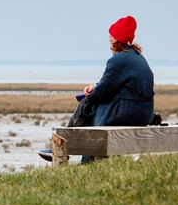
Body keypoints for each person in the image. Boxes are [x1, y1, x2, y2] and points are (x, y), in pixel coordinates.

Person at [40, 15, 155, 162]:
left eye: (111, 35)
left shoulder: (118, 60)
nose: (109, 38)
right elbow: (112, 85)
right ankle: (75, 152)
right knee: (91, 107)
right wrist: (95, 88)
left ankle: (64, 147)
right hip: (144, 113)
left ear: (116, 39)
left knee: (86, 105)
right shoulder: (137, 57)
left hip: (128, 113)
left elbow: (102, 92)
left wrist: (90, 93)